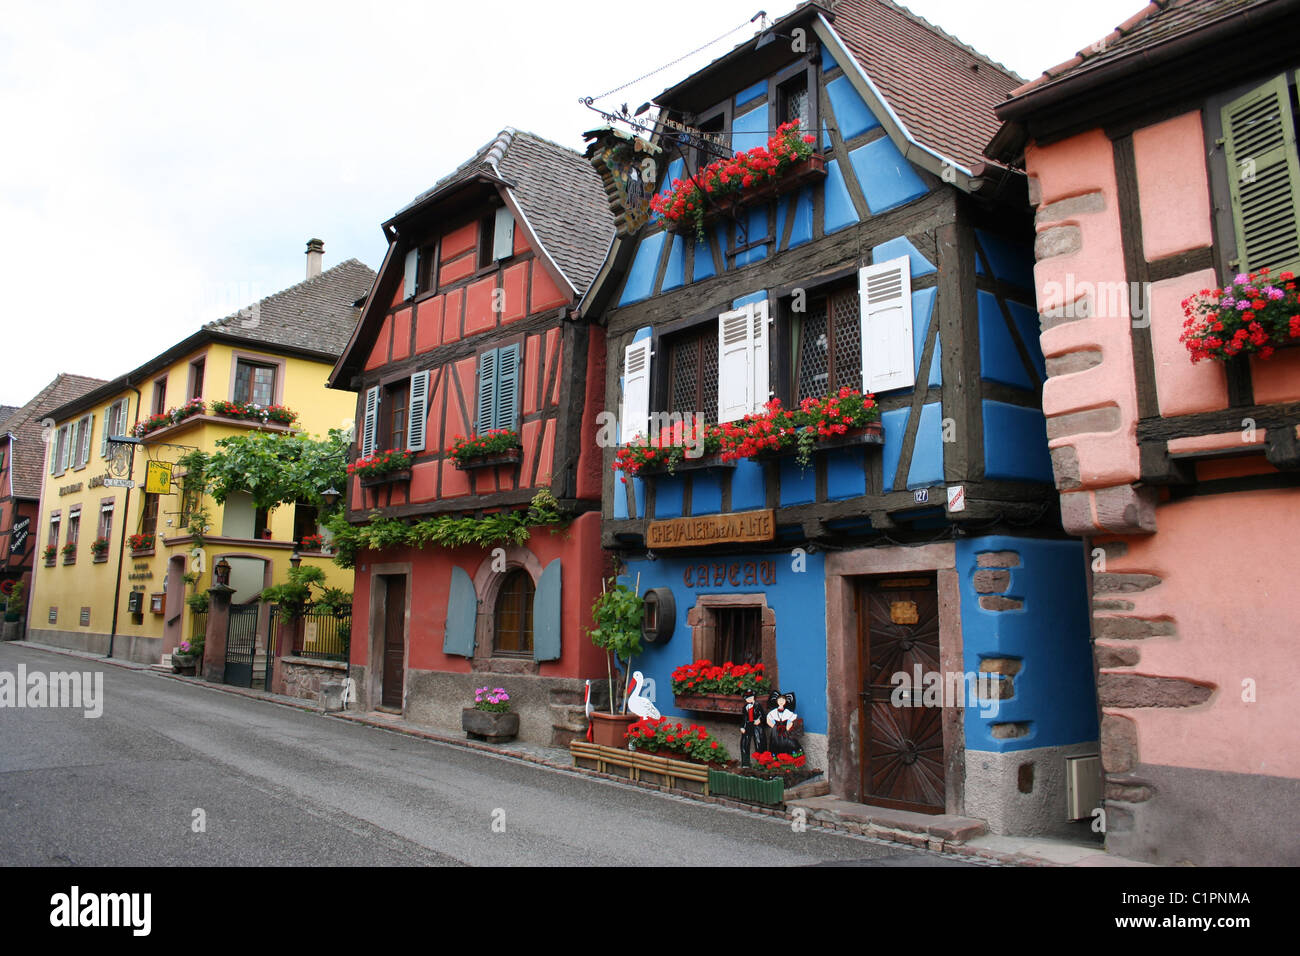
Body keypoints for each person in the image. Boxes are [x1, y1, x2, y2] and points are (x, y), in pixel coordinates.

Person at [765, 690, 801, 756]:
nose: (781, 702)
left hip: (785, 730)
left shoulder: (787, 712)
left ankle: (788, 756)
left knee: (788, 743)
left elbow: (791, 719)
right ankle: (775, 756)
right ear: (777, 701)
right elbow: (768, 719)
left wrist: (788, 726)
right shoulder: (773, 712)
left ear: (785, 702)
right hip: (776, 730)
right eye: (779, 700)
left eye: (783, 700)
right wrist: (773, 726)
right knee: (775, 743)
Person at [740, 690, 766, 766]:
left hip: (756, 725)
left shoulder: (758, 705)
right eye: (747, 698)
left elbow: (762, 715)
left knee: (759, 743)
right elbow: (744, 718)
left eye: (750, 697)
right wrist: (742, 727)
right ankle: (745, 763)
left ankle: (761, 763)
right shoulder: (745, 707)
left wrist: (759, 720)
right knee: (744, 743)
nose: (749, 699)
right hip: (748, 725)